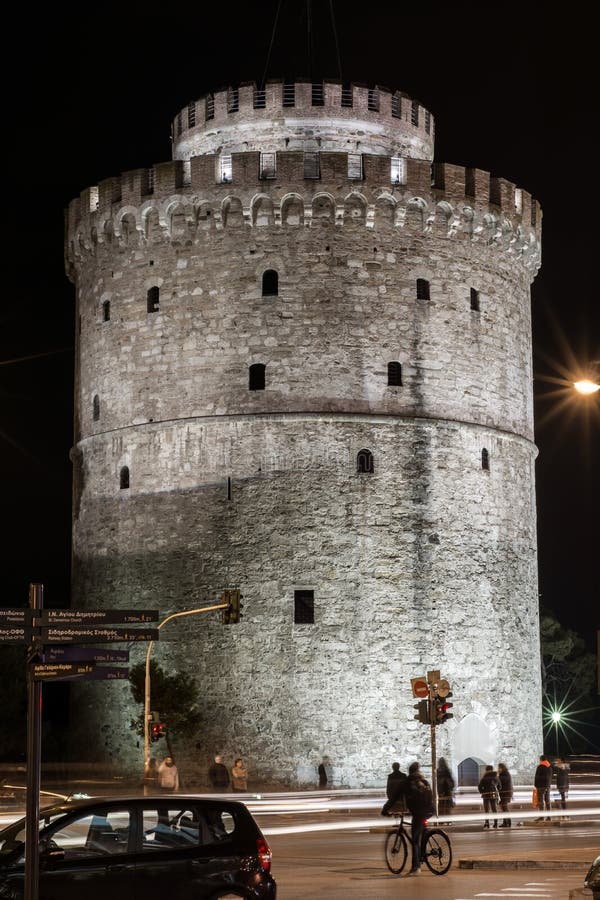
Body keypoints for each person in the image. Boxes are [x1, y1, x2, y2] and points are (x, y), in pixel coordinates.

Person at [382, 761, 434, 876]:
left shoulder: (406, 783)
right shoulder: (424, 781)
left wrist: (385, 809)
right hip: (430, 810)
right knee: (422, 830)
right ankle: (423, 853)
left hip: (418, 812)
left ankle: (416, 867)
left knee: (415, 840)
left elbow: (393, 798)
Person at [478, 764, 500, 829]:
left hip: (486, 795)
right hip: (494, 794)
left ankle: (487, 823)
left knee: (486, 810)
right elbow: (500, 786)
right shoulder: (496, 777)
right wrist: (496, 790)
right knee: (494, 809)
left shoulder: (484, 777)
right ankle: (495, 823)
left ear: (486, 770)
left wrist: (482, 792)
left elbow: (480, 786)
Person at [534, 754, 553, 821]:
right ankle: (549, 817)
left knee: (541, 802)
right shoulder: (549, 767)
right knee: (547, 801)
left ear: (541, 759)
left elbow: (537, 777)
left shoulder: (540, 767)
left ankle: (541, 817)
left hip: (541, 786)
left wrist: (536, 785)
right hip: (548, 786)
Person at [497, 762, 513, 827]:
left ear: (501, 768)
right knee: (504, 807)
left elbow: (502, 781)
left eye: (499, 768)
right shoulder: (504, 774)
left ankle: (506, 823)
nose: (498, 769)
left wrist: (497, 777)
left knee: (504, 807)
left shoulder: (505, 774)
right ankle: (507, 822)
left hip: (506, 793)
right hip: (505, 793)